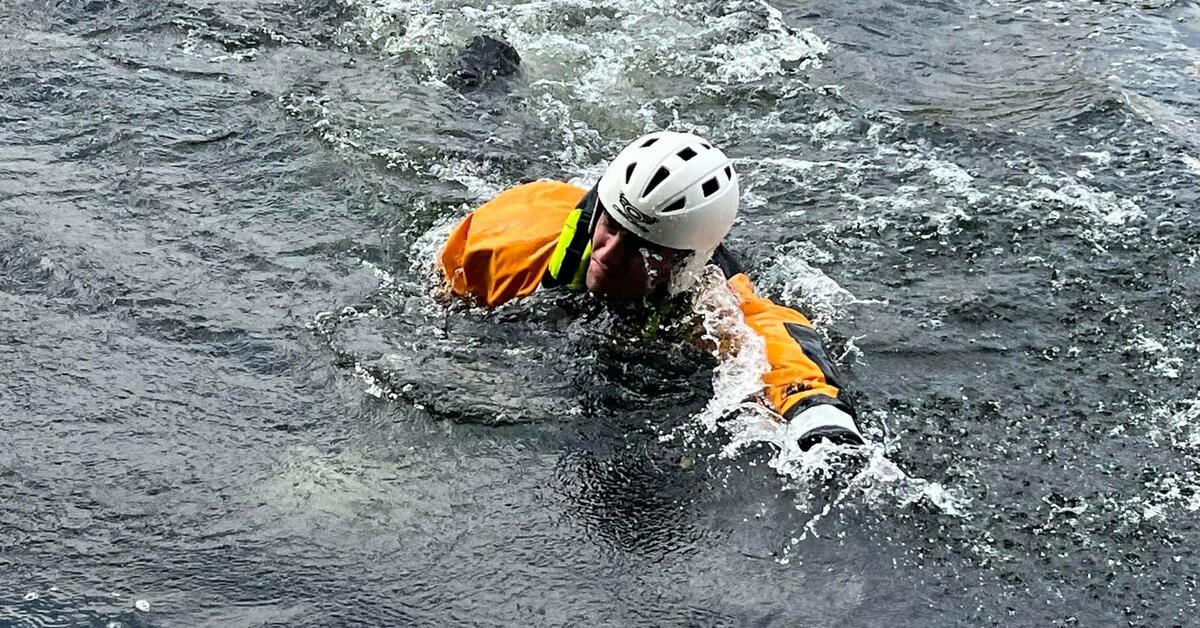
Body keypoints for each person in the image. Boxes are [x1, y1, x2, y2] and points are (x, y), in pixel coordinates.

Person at [437, 131, 865, 451]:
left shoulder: (710, 296)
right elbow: (437, 300)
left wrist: (816, 413)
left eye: (641, 249)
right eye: (611, 226)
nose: (609, 254)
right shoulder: (505, 237)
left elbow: (772, 337)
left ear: (685, 265)